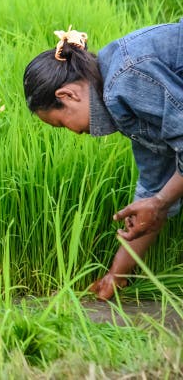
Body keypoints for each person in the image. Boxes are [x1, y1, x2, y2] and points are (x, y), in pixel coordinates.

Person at [23, 22, 183, 300]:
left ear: (67, 95)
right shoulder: (124, 106)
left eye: (61, 124)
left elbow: (158, 202)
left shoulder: (125, 79)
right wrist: (115, 276)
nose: (73, 133)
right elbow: (153, 192)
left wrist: (160, 202)